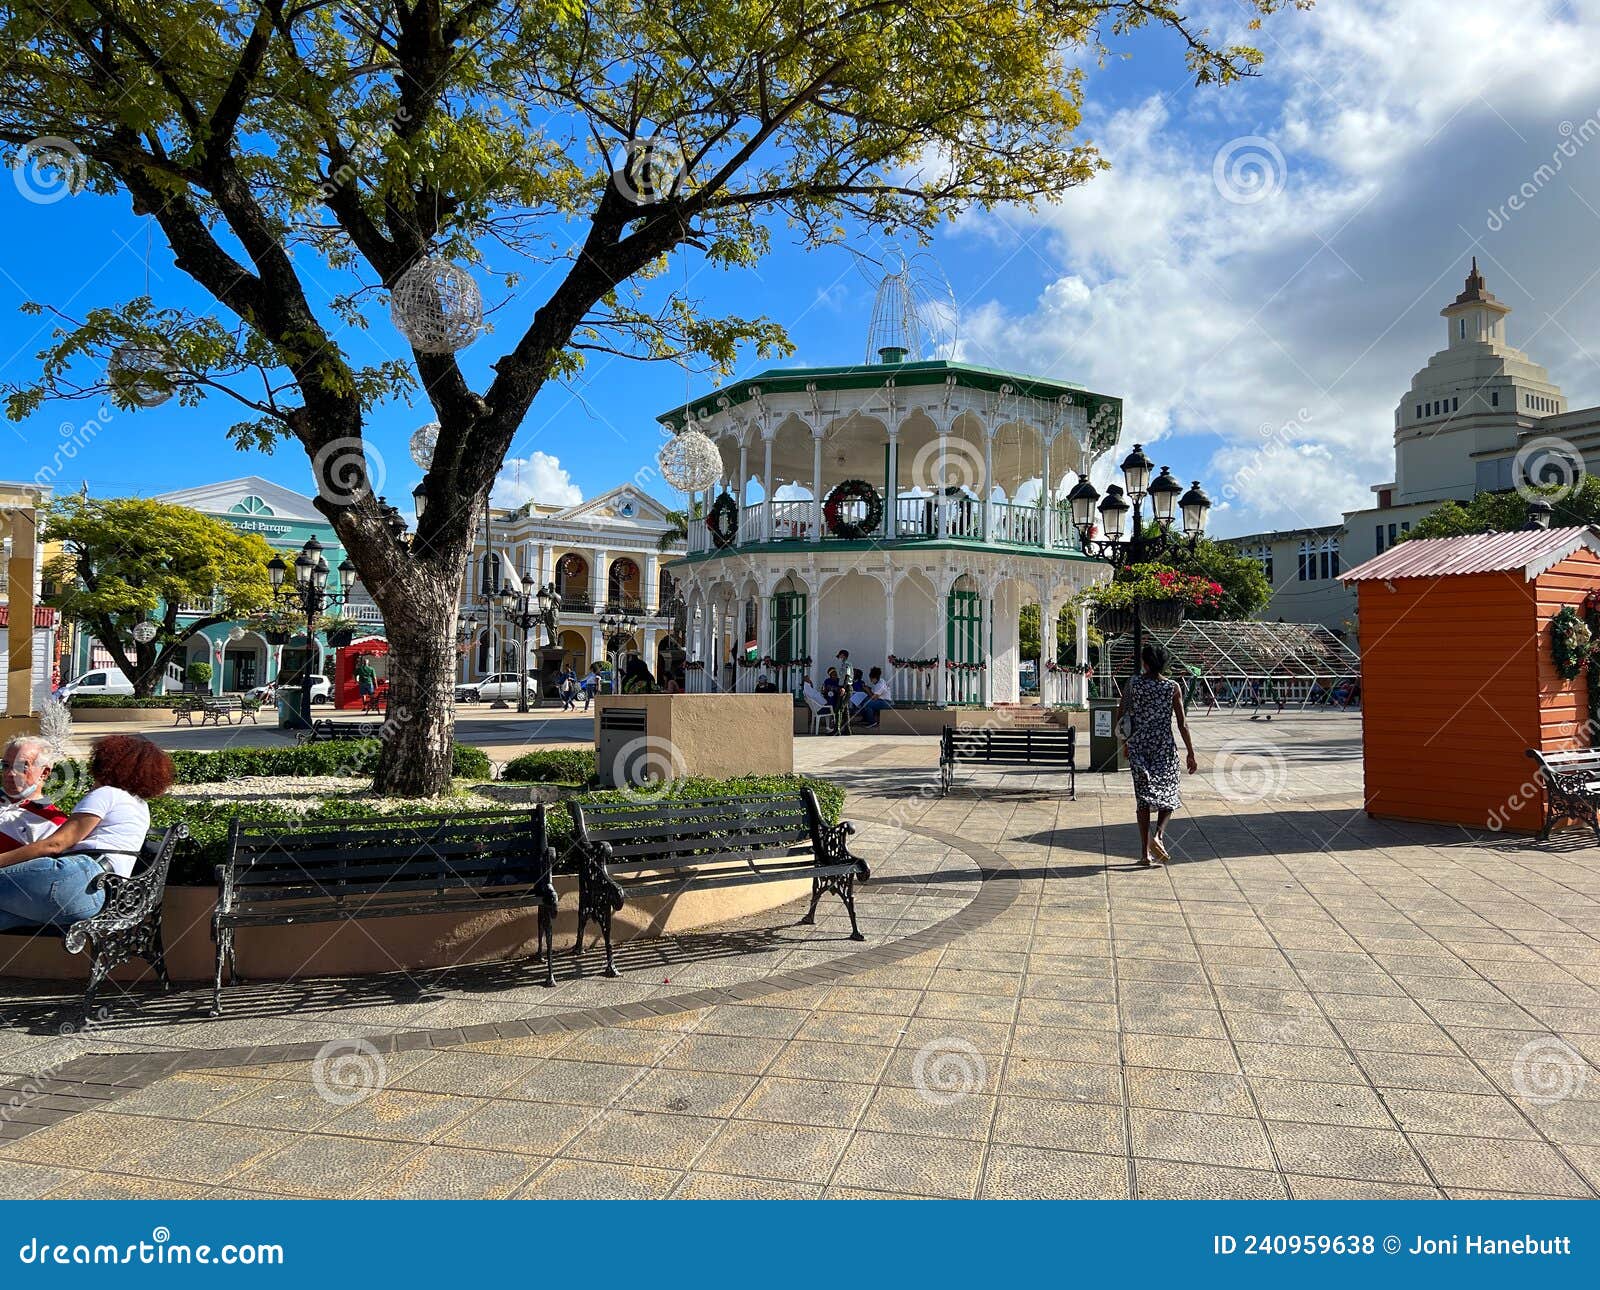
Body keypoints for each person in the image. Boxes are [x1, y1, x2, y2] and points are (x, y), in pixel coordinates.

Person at [0, 735, 174, 930]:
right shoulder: (139, 806)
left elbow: (54, 844)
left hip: (79, 878)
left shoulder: (106, 794)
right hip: (95, 899)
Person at [1115, 643, 1197, 867]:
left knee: (1143, 800)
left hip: (1138, 748)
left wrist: (1125, 743)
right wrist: (1190, 752)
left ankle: (1145, 853)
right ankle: (1159, 835)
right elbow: (1182, 723)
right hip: (1164, 748)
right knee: (1169, 793)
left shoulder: (1132, 684)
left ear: (1145, 662)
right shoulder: (1172, 687)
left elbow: (1121, 715)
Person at [0, 737, 68, 856]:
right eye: (5, 765)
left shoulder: (54, 823)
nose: (10, 773)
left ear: (44, 773)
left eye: (21, 766)